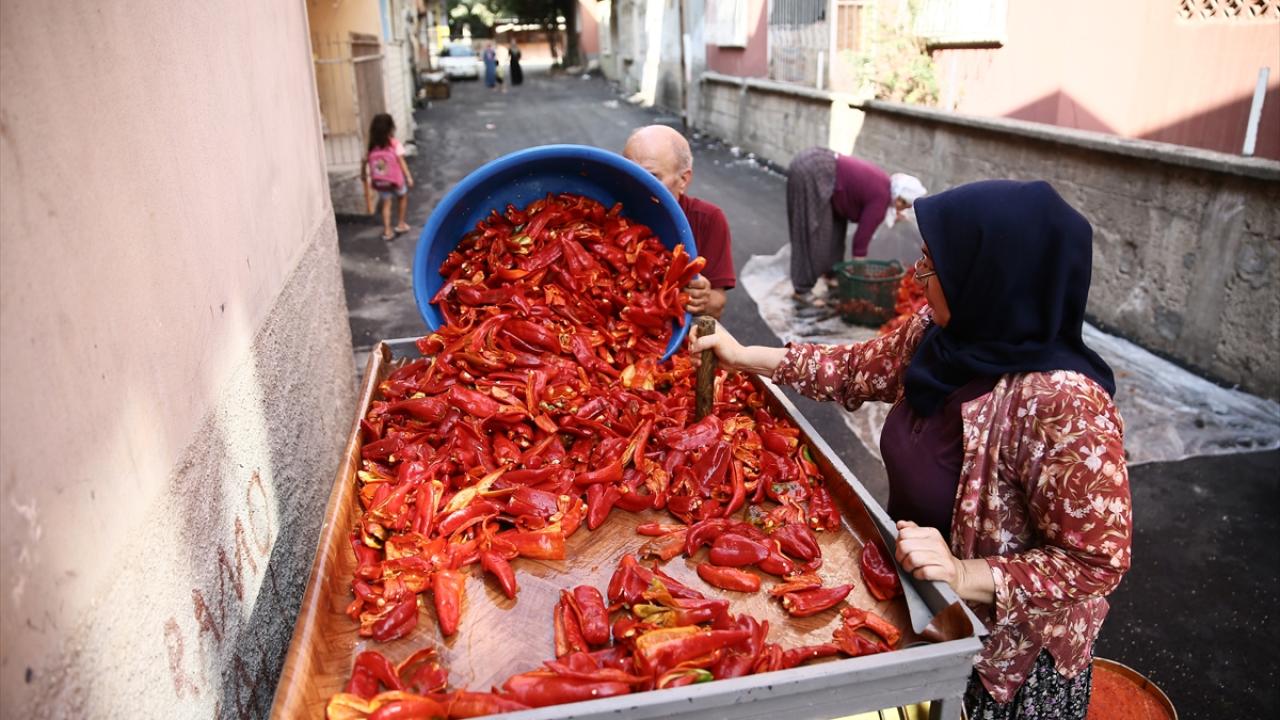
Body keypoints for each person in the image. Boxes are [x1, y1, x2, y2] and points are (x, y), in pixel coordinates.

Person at [692, 179, 1132, 719]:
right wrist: (746, 355)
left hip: (1007, 663)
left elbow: (1095, 561)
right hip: (922, 594)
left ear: (989, 278)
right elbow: (855, 368)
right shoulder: (939, 335)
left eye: (932, 265)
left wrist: (965, 573)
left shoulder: (1062, 404)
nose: (919, 278)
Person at [786, 147, 927, 302]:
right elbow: (860, 242)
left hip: (822, 168)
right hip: (814, 172)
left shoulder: (886, 188)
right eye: (905, 206)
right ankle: (802, 290)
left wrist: (896, 214)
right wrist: (859, 276)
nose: (905, 210)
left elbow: (873, 203)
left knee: (835, 233)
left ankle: (832, 275)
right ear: (899, 199)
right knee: (812, 231)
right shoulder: (881, 200)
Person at [623, 125, 735, 319]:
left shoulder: (707, 219)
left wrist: (703, 298)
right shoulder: (607, 209)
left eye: (652, 176)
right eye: (628, 171)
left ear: (683, 180)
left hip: (673, 330)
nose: (636, 184)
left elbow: (718, 303)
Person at [362, 113, 414, 241]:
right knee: (402, 197)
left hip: (380, 182)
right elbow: (402, 162)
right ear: (391, 128)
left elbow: (364, 160)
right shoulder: (394, 144)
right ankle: (401, 224)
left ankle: (387, 230)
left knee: (386, 203)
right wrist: (408, 177)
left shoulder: (372, 147)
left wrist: (363, 174)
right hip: (396, 181)